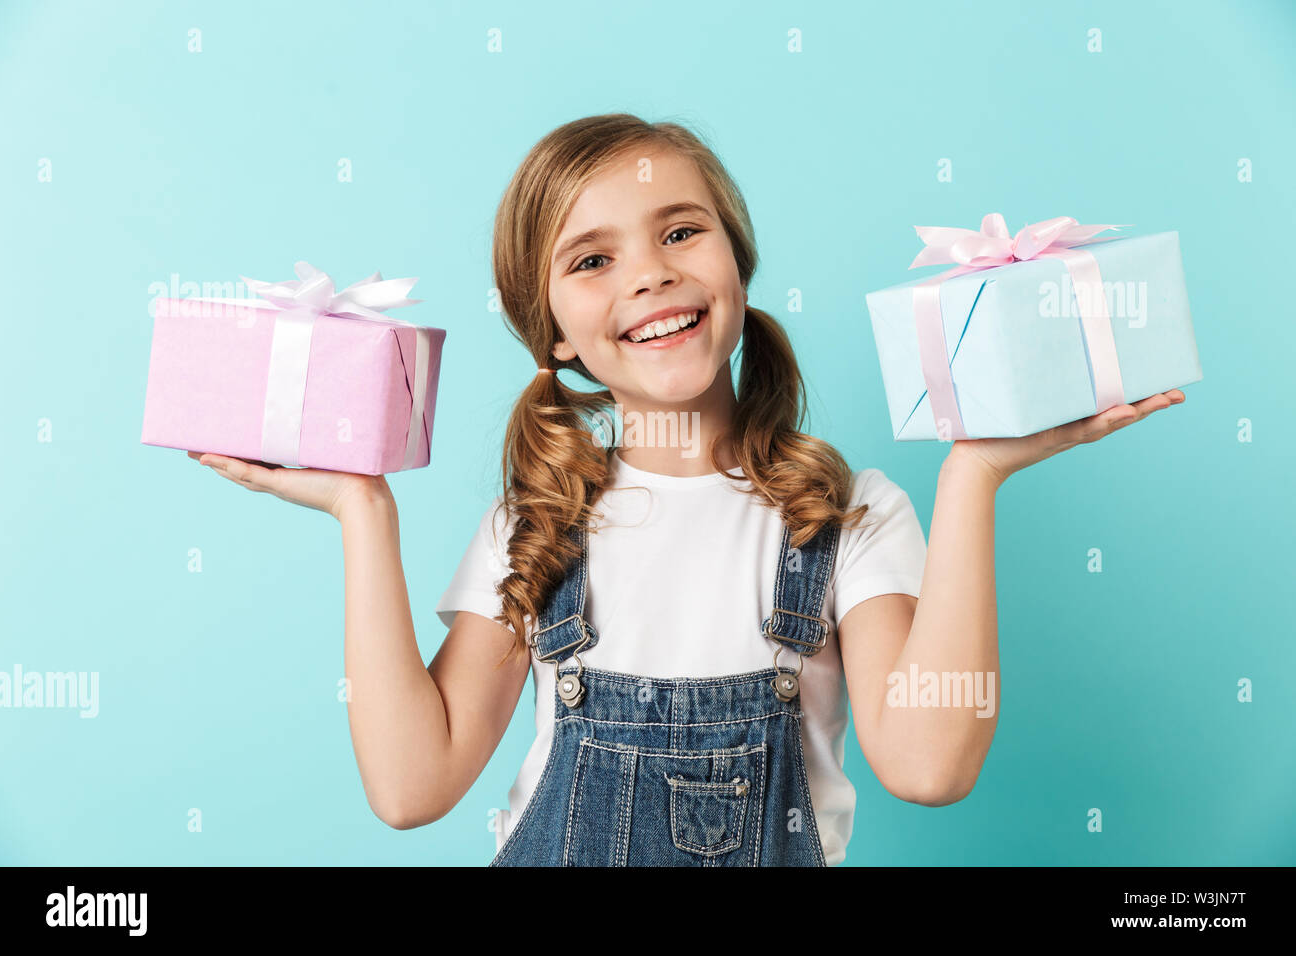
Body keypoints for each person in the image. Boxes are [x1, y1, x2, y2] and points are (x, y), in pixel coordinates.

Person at [189, 113, 1185, 866]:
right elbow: (410, 788)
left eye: (680, 233)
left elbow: (929, 767)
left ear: (737, 268)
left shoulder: (850, 514)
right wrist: (364, 513)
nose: (648, 276)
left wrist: (975, 473)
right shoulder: (533, 527)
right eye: (591, 259)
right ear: (558, 336)